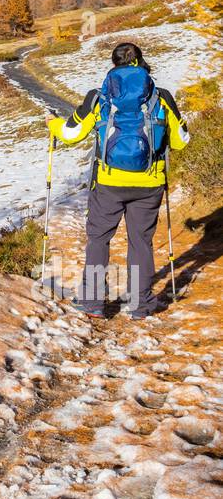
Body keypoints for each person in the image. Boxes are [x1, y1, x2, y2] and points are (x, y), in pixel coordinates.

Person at [47, 41, 189, 319]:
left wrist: (51, 123)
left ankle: (92, 303)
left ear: (113, 66)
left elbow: (71, 133)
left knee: (99, 239)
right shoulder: (161, 97)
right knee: (140, 241)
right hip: (149, 184)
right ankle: (141, 304)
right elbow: (181, 141)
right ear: (141, 62)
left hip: (109, 184)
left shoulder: (99, 98)